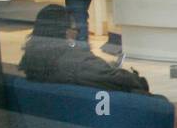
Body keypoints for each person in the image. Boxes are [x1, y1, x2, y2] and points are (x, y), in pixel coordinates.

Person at [20, 5, 150, 93]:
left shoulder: (31, 59)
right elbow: (122, 80)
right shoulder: (78, 61)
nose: (77, 33)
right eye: (75, 29)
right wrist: (138, 79)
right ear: (66, 33)